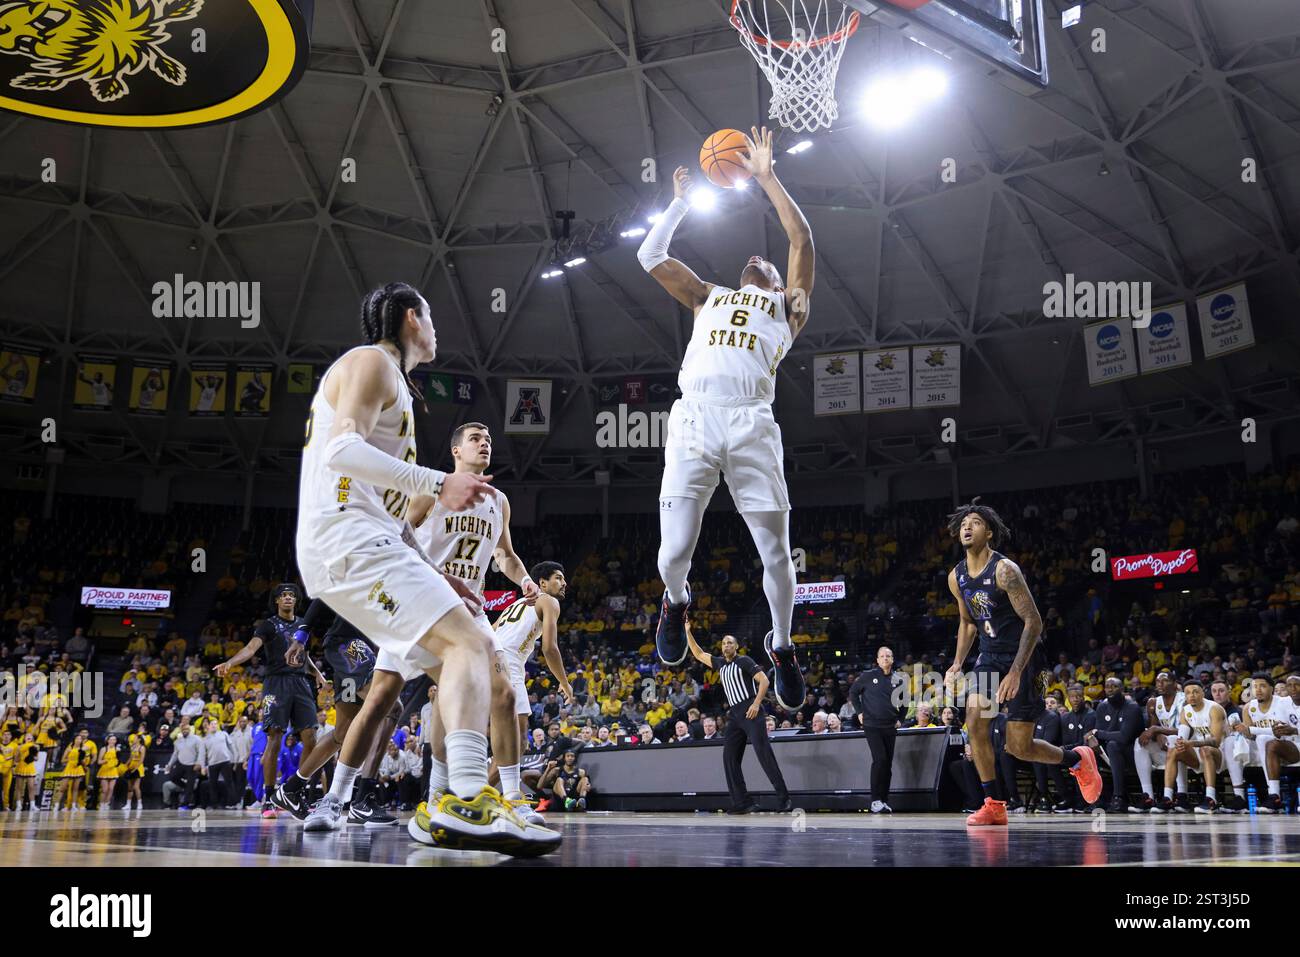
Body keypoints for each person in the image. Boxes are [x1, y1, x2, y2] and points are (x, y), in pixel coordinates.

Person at [292, 282, 555, 857]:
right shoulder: (371, 362)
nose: (437, 330)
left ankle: (445, 803)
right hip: (349, 537)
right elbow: (341, 451)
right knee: (456, 654)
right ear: (413, 318)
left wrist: (446, 577)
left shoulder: (398, 386)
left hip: (378, 543)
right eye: (431, 318)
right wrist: (438, 482)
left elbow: (397, 517)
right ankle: (460, 795)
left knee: (475, 666)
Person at [638, 127, 814, 711]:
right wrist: (681, 201)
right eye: (752, 257)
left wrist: (765, 175)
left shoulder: (787, 308)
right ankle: (676, 601)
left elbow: (801, 237)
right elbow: (650, 255)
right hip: (694, 420)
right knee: (671, 554)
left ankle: (783, 645)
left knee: (777, 555)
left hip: (750, 424)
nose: (757, 257)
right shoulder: (708, 295)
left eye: (765, 259)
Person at [943, 500, 1102, 826]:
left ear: (989, 532)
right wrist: (957, 663)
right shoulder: (956, 577)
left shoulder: (1005, 571)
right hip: (989, 657)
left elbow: (1034, 622)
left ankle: (1077, 758)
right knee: (975, 722)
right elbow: (968, 622)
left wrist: (1016, 672)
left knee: (1018, 746)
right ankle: (993, 804)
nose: (967, 527)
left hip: (1027, 658)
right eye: (963, 524)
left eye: (975, 522)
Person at [216, 584, 318, 819]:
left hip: (302, 683)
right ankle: (269, 798)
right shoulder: (269, 625)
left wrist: (318, 674)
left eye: (292, 595)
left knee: (311, 739)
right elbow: (251, 648)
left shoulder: (304, 624)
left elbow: (305, 654)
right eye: (284, 595)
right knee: (274, 739)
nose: (288, 598)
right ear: (276, 601)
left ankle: (293, 792)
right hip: (276, 683)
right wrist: (231, 663)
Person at [685, 624, 790, 814]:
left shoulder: (744, 661)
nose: (726, 645)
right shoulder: (719, 663)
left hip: (750, 709)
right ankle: (742, 803)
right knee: (729, 758)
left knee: (763, 754)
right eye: (724, 643)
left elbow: (764, 681)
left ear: (736, 647)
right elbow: (698, 653)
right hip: (734, 715)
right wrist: (687, 632)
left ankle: (784, 799)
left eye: (730, 643)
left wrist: (757, 704)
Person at [850, 646, 908, 813]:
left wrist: (901, 720)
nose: (885, 658)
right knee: (880, 759)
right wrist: (860, 712)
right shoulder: (868, 676)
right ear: (877, 660)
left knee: (887, 764)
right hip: (872, 725)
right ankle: (875, 800)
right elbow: (853, 693)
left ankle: (884, 800)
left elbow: (905, 703)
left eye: (888, 656)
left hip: (890, 726)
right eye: (882, 656)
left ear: (892, 659)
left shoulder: (899, 679)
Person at [1159, 680, 1226, 814]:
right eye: (1188, 693)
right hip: (1199, 754)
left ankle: (1211, 798)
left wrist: (1192, 743)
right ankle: (1168, 798)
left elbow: (1216, 742)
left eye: (1195, 692)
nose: (1192, 695)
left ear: (1203, 692)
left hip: (1222, 755)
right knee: (1174, 751)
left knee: (1205, 749)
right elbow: (1182, 736)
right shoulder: (1186, 710)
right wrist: (1181, 742)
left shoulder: (1214, 709)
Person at [1085, 677, 1144, 812]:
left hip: (1134, 753)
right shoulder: (1102, 706)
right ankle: (1095, 798)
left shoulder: (1132, 707)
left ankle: (1119, 797)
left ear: (1122, 689)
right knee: (1085, 751)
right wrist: (1092, 738)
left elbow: (1124, 737)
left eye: (1114, 686)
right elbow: (1098, 733)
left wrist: (1098, 732)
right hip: (1110, 752)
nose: (1110, 689)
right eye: (1107, 686)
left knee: (1113, 745)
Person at [1133, 672, 1186, 811]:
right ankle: (1148, 796)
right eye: (1157, 682)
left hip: (1189, 749)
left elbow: (1186, 730)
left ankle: (1182, 795)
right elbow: (1153, 728)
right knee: (1140, 743)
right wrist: (1157, 734)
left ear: (1175, 684)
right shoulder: (1153, 702)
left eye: (1165, 681)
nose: (1160, 684)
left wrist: (1158, 730)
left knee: (1175, 740)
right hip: (1166, 749)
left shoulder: (1184, 700)